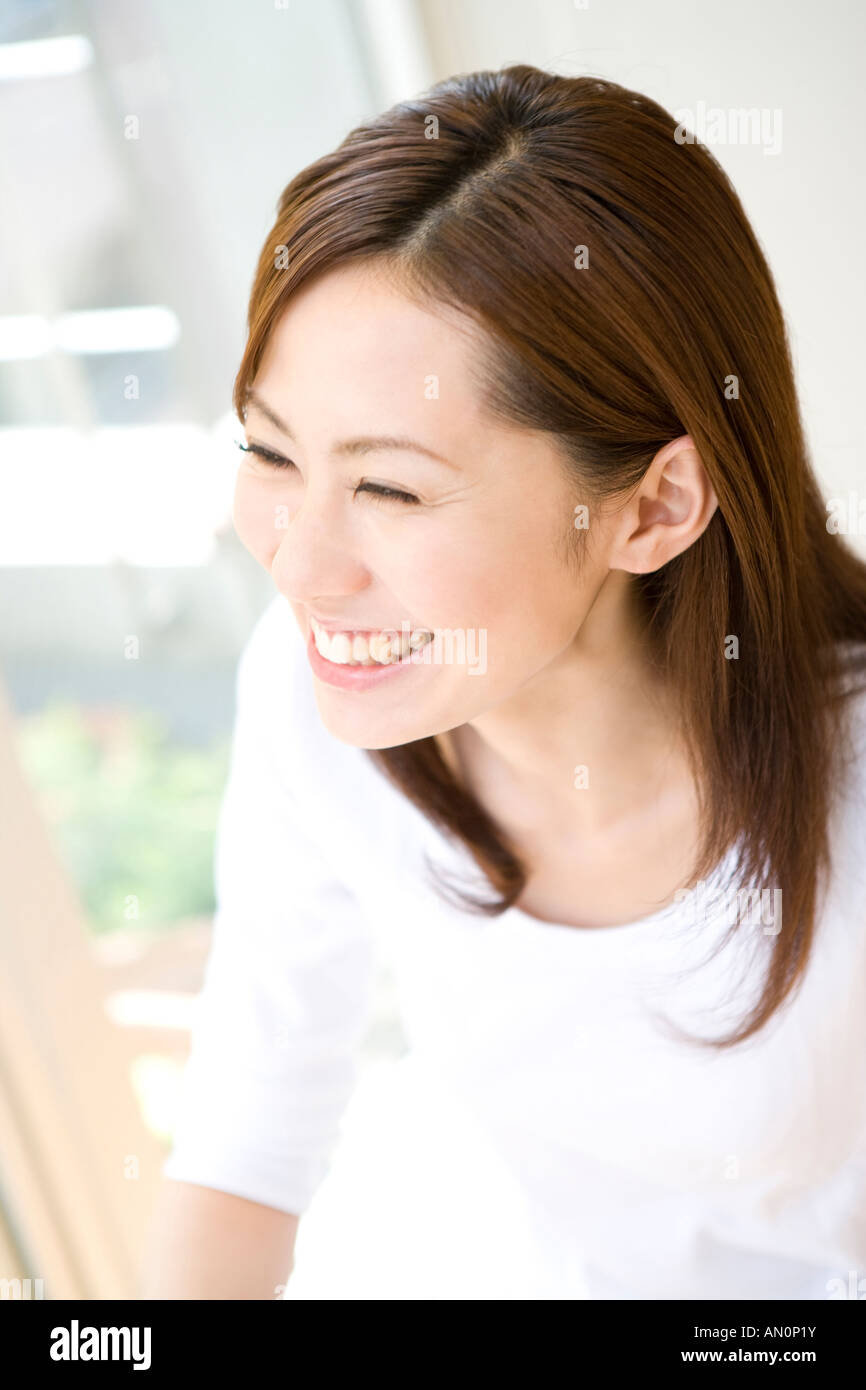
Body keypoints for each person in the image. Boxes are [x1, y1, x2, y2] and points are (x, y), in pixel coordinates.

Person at [141, 64, 866, 1300]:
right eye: (269, 450)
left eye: (389, 487)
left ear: (653, 506)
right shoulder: (314, 699)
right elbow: (247, 1133)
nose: (300, 567)